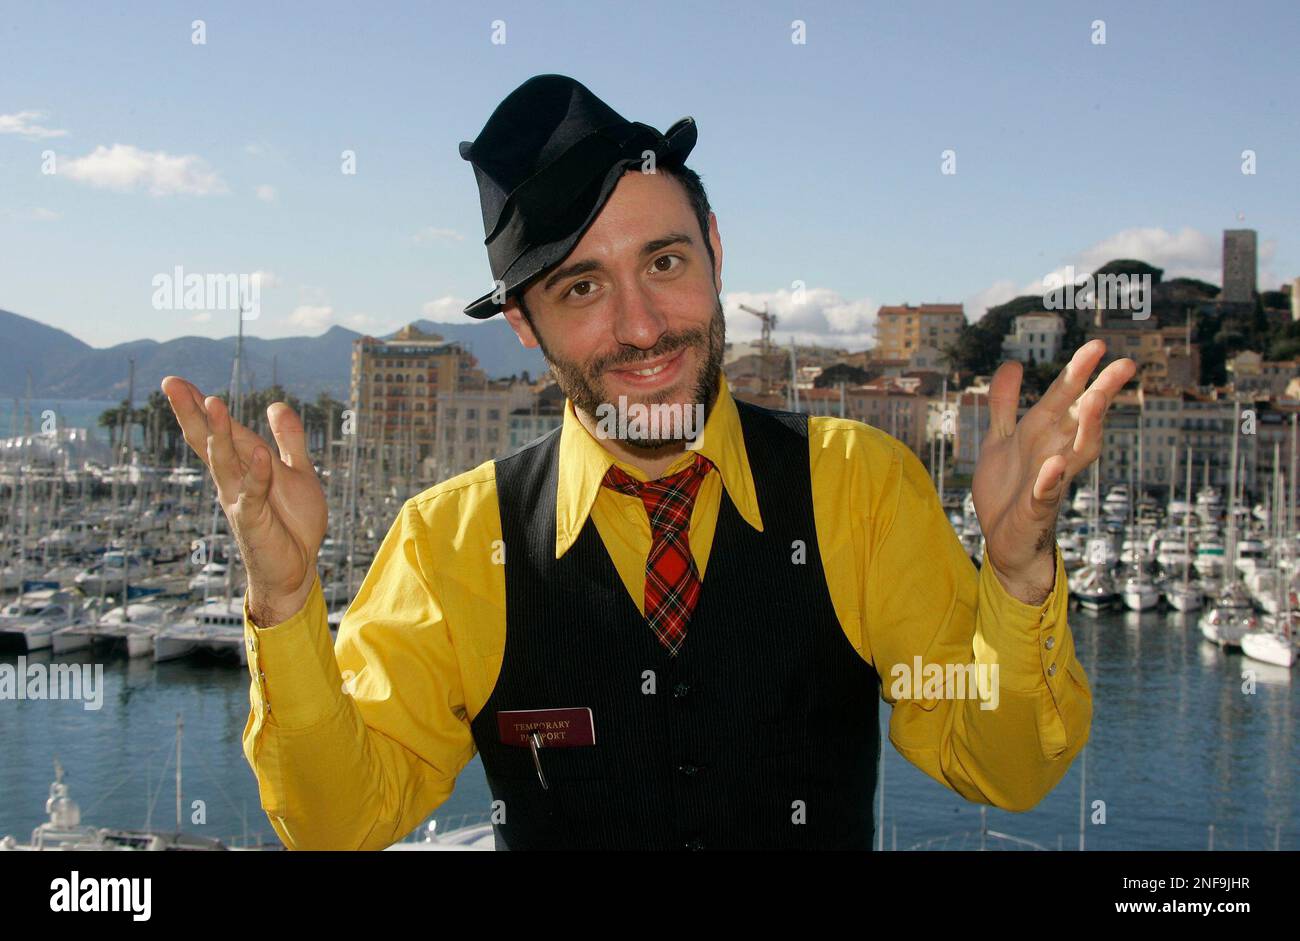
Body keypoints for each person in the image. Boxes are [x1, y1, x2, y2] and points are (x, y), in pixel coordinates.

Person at [161, 74, 1135, 851]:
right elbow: (338, 824)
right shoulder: (449, 543)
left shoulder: (860, 485)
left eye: (664, 263)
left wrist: (1015, 576)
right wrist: (285, 605)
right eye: (581, 285)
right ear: (525, 325)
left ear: (713, 251)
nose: (640, 327)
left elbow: (1003, 770)